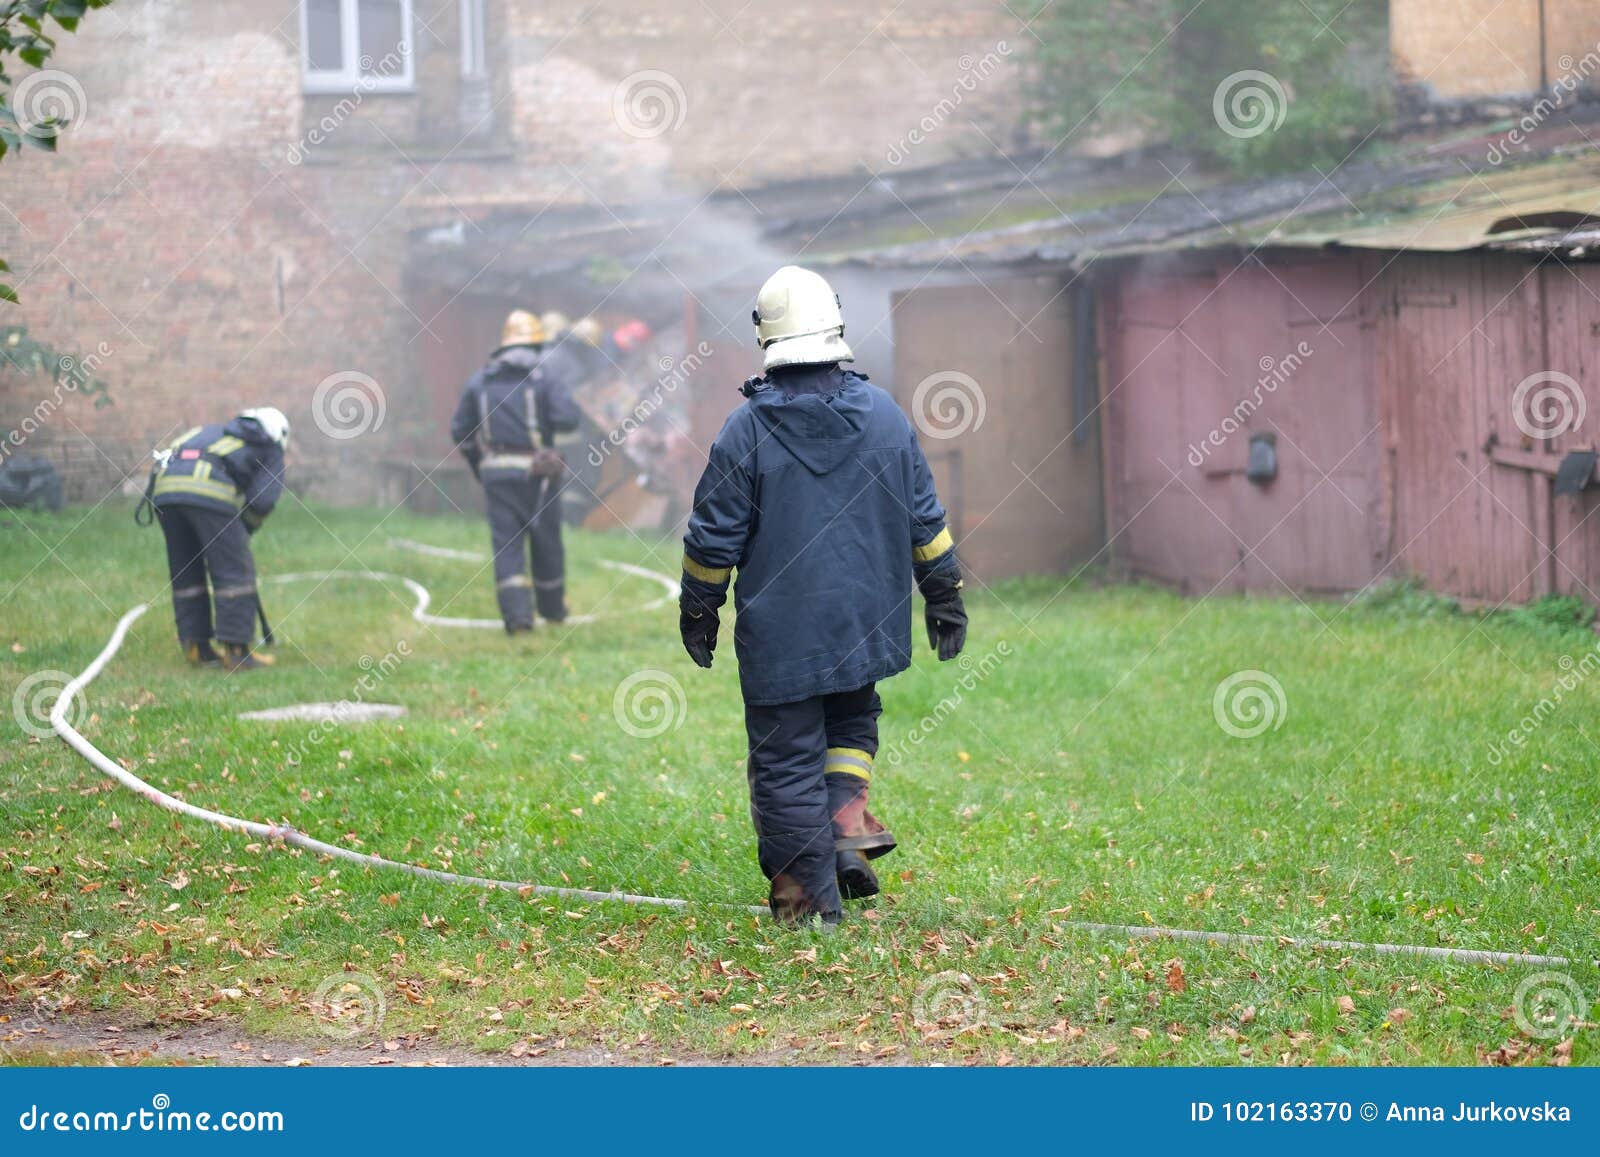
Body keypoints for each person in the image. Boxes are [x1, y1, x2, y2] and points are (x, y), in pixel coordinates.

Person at [677, 265, 968, 926]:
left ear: (767, 338)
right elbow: (926, 519)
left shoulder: (744, 431)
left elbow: (711, 539)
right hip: (870, 622)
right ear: (836, 329)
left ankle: (809, 904)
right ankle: (845, 821)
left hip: (784, 636)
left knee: (784, 762)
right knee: (851, 722)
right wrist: (944, 595)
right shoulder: (888, 418)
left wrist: (699, 611)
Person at [450, 309, 583, 631]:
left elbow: (461, 431)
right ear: (536, 347)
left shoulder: (479, 381)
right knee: (546, 540)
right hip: (538, 475)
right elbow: (569, 419)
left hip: (496, 474)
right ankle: (552, 610)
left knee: (507, 544)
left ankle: (518, 619)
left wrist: (478, 467)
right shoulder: (545, 379)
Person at [147, 407, 288, 671]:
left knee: (186, 570)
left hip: (165, 492)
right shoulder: (270, 446)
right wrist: (242, 529)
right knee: (234, 572)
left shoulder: (211, 432)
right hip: (208, 492)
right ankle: (237, 653)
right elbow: (264, 499)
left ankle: (196, 647)